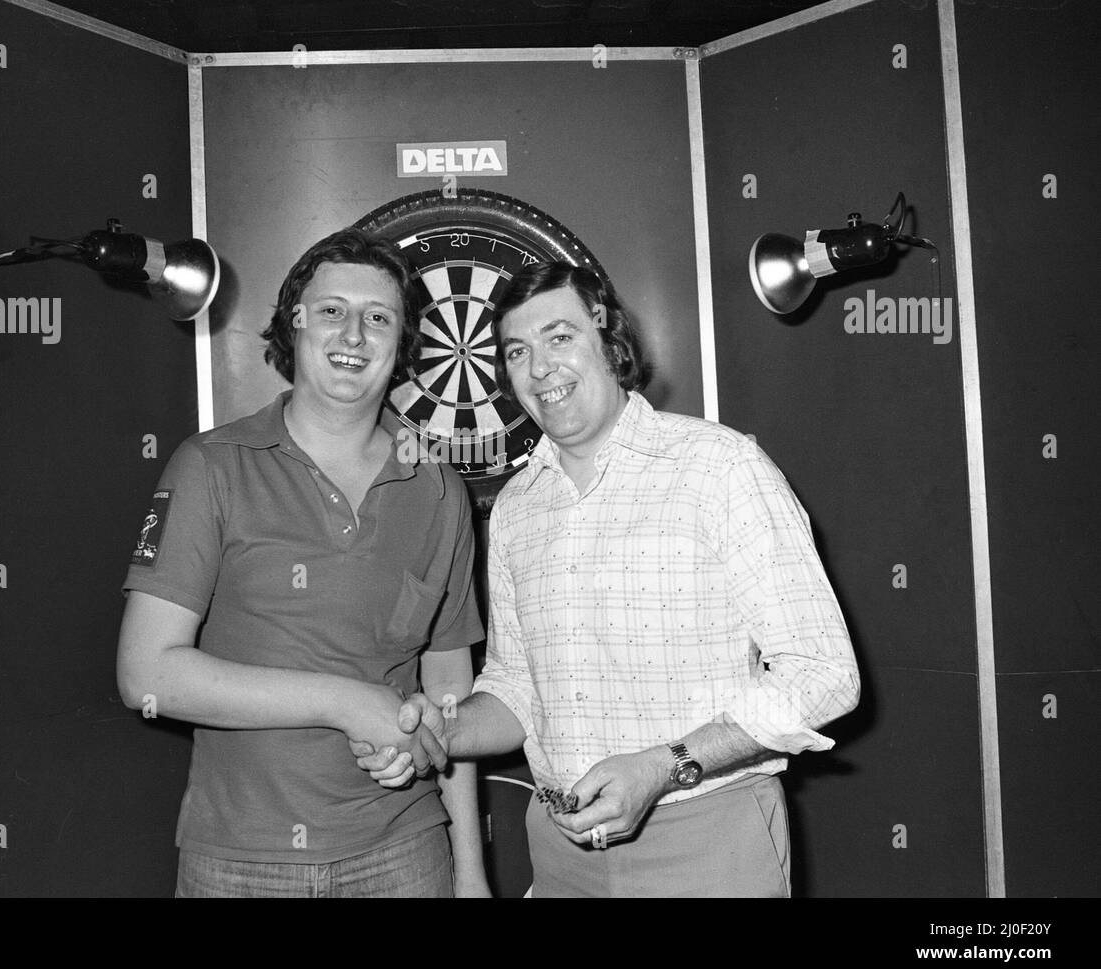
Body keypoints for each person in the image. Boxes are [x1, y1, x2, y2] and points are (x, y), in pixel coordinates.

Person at [359, 261, 860, 897]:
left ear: (609, 341)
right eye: (518, 351)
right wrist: (441, 728)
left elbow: (823, 673)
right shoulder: (516, 507)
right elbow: (517, 691)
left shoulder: (721, 466)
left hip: (705, 842)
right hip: (562, 852)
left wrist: (664, 767)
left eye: (560, 337)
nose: (540, 367)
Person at [117, 228, 488, 897]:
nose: (353, 334)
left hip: (408, 853)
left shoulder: (437, 485)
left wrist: (469, 871)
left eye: (378, 317)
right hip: (240, 861)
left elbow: (447, 692)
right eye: (331, 311)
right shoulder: (210, 466)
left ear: (401, 346)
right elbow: (146, 674)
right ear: (294, 328)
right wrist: (347, 702)